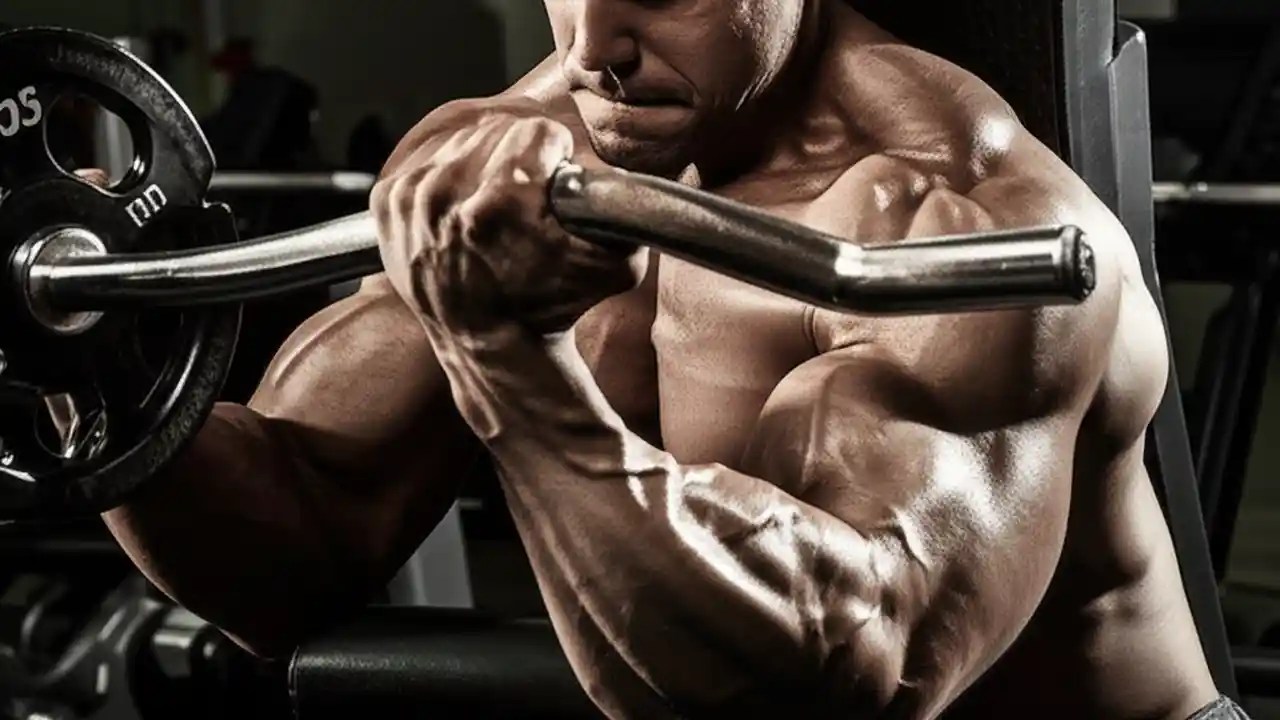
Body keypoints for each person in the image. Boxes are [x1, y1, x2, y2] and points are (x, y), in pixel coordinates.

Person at [99, 1, 1243, 718]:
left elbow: (863, 666)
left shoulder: (945, 216)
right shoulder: (512, 151)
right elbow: (299, 539)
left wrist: (512, 369)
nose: (591, 49)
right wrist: (104, 387)